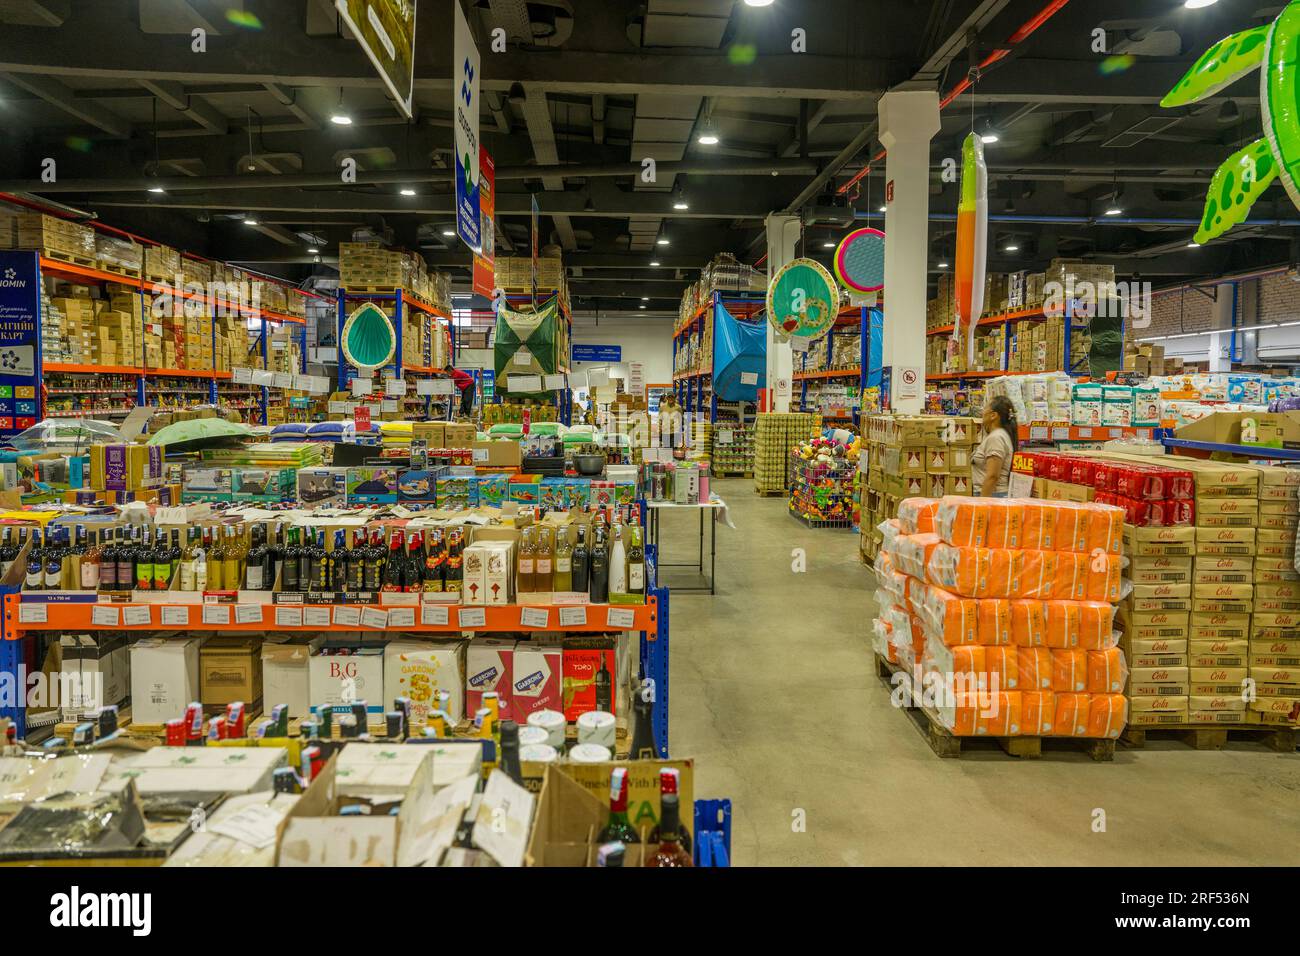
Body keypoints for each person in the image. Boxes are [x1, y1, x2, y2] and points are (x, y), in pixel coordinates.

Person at [973, 395, 1017, 498]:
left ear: (993, 415)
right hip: (994, 495)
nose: (982, 412)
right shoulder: (998, 435)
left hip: (993, 495)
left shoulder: (996, 438)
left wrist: (982, 503)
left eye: (985, 408)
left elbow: (993, 476)